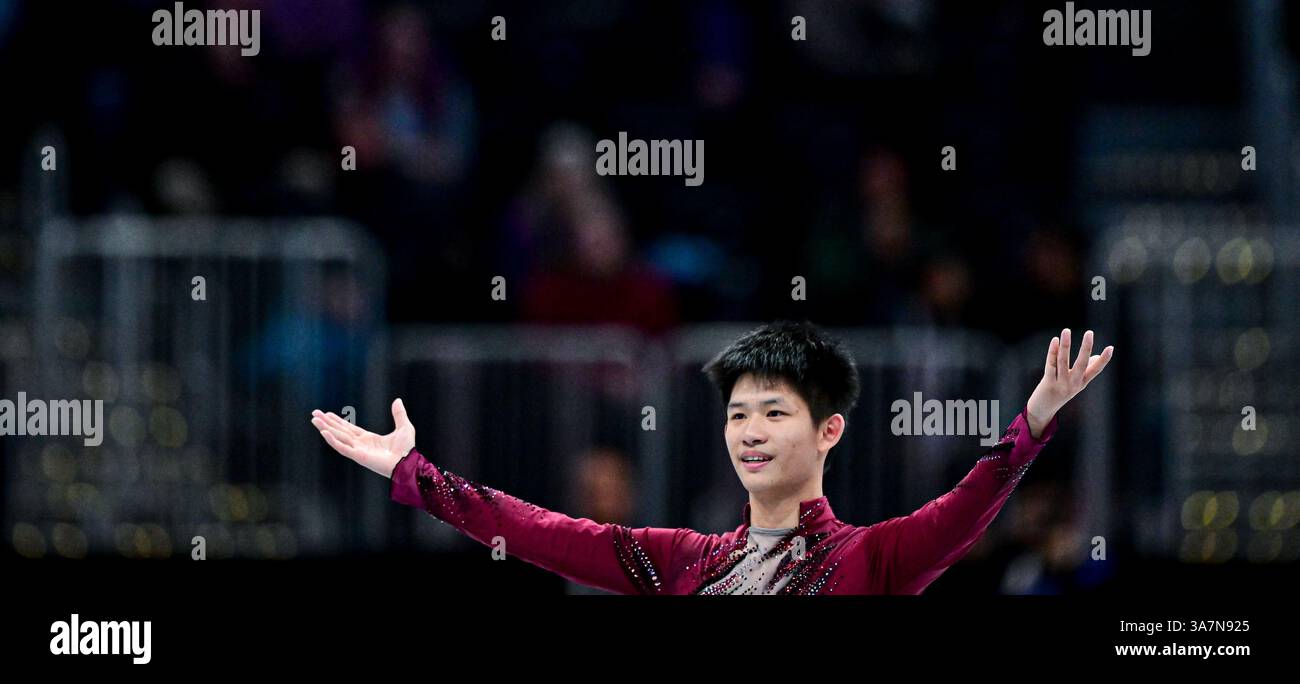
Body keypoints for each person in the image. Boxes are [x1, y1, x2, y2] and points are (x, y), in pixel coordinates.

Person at [310, 320, 1113, 594]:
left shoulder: (877, 559)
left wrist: (1034, 420)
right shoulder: (684, 563)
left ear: (828, 430)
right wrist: (413, 475)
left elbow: (965, 511)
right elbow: (540, 531)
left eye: (774, 412)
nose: (751, 432)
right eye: (737, 415)